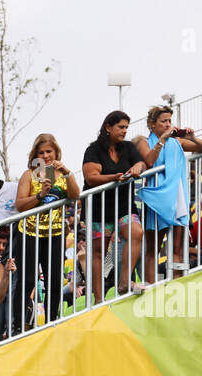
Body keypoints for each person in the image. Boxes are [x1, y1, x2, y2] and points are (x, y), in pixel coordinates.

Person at [134, 106, 202, 283]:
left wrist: (192, 138)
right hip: (157, 197)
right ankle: (152, 285)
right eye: (163, 121)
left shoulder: (177, 142)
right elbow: (150, 161)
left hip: (178, 195)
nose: (168, 124)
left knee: (177, 246)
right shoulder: (144, 141)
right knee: (153, 247)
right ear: (152, 124)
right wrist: (162, 139)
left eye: (170, 121)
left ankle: (177, 281)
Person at [14, 134, 81, 326]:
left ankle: (52, 320)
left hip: (55, 233)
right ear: (35, 154)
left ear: (56, 152)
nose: (45, 156)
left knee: (54, 280)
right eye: (41, 152)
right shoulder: (29, 174)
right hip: (29, 233)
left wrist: (67, 172)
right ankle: (20, 324)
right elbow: (19, 204)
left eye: (49, 151)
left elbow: (75, 195)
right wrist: (40, 195)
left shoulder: (62, 174)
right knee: (27, 281)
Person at [81, 111, 146, 300]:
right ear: (108, 127)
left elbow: (141, 162)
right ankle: (99, 299)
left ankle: (125, 282)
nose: (125, 131)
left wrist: (137, 168)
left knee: (136, 232)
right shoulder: (93, 149)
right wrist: (115, 178)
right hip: (98, 207)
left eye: (126, 127)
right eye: (121, 127)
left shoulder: (127, 147)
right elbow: (91, 178)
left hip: (123, 203)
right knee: (98, 252)